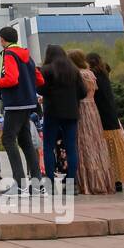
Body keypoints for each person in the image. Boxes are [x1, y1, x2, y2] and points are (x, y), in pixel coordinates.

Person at [0, 27, 44, 193]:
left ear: (3, 40)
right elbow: (39, 79)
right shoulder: (26, 54)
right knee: (25, 141)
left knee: (8, 139)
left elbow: (11, 79)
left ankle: (20, 184)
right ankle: (38, 184)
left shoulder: (9, 54)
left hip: (15, 103)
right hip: (28, 103)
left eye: (0, 39)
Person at [88, 52, 124, 190]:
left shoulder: (94, 77)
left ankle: (111, 179)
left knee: (106, 151)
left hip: (101, 118)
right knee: (117, 152)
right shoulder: (105, 74)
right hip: (112, 118)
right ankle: (119, 179)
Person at [39, 44, 86, 193]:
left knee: (48, 147)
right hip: (71, 113)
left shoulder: (46, 70)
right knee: (71, 147)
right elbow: (83, 92)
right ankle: (72, 185)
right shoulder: (74, 70)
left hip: (52, 112)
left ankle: (51, 184)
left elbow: (40, 89)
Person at [69, 48, 115, 195]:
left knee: (84, 145)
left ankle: (87, 182)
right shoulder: (90, 73)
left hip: (82, 110)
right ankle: (103, 181)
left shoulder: (78, 75)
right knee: (96, 144)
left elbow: (77, 94)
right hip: (93, 110)